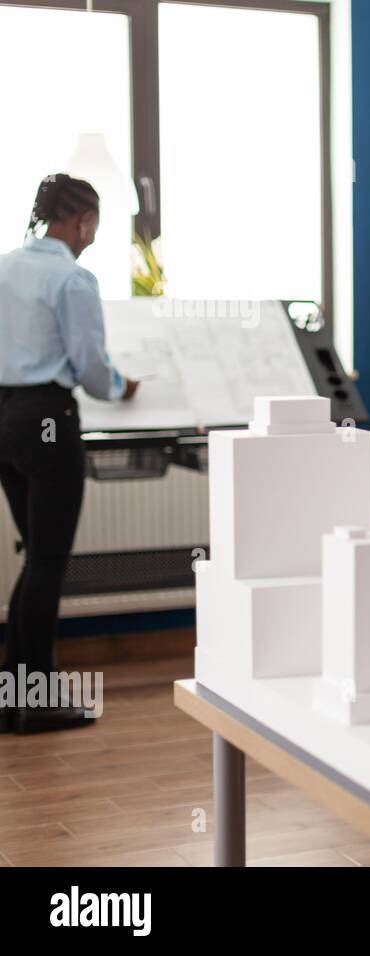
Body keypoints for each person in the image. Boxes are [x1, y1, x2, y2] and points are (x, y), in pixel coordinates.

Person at [0, 173, 139, 735]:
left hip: (3, 421)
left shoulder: (4, 266)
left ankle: (14, 696)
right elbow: (91, 370)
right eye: (95, 226)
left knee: (37, 557)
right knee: (47, 562)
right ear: (81, 220)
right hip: (48, 425)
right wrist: (123, 385)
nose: (93, 237)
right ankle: (35, 703)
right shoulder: (73, 279)